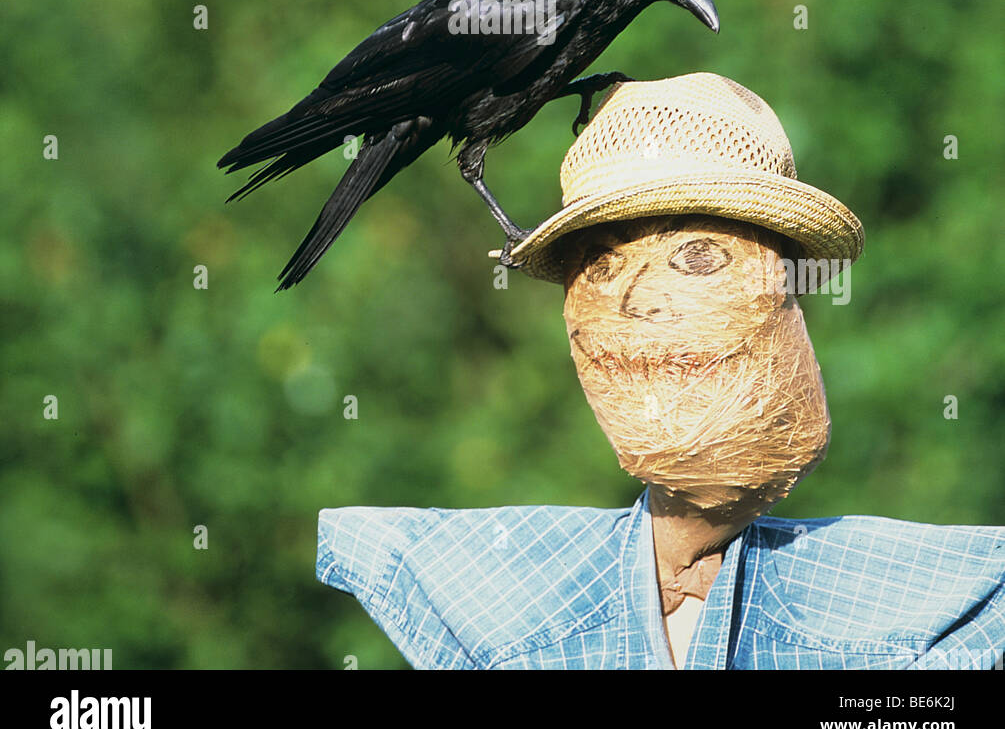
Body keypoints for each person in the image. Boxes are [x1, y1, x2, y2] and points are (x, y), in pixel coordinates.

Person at [316, 74, 1005, 669]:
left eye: (697, 257)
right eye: (601, 265)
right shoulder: (484, 591)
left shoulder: (929, 603)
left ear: (780, 291)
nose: (636, 299)